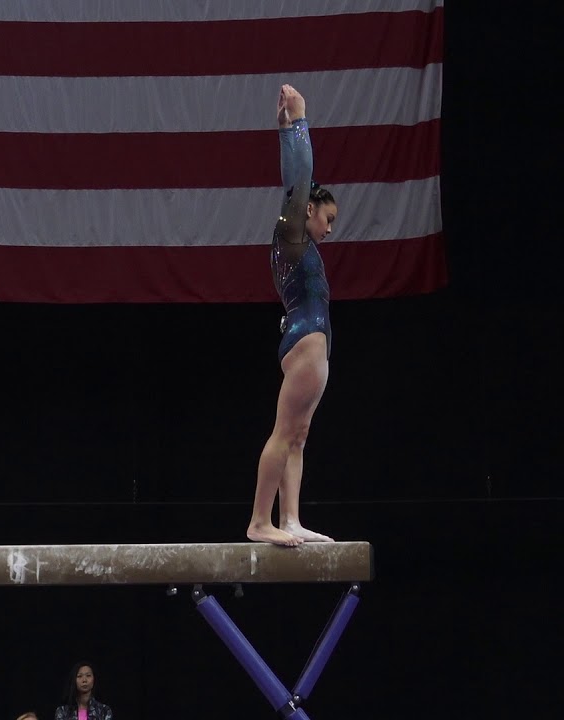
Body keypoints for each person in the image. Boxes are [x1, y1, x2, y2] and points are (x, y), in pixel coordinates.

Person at [247, 84, 340, 547]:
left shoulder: (298, 246)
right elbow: (298, 179)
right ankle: (260, 520)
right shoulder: (292, 238)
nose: (329, 228)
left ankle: (290, 519)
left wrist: (285, 128)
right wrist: (297, 122)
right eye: (327, 218)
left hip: (305, 342)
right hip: (305, 344)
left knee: (298, 436)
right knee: (285, 433)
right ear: (307, 211)